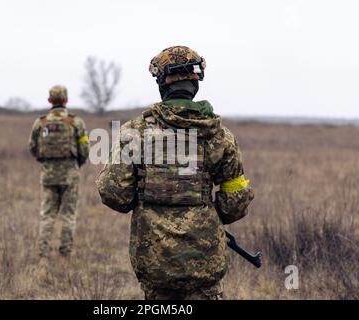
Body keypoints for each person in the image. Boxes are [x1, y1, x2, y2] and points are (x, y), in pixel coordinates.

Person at [96, 46, 254, 299]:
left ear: (161, 84)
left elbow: (114, 194)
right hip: (205, 264)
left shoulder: (134, 132)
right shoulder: (221, 136)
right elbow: (234, 205)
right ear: (196, 83)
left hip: (154, 264)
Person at [28, 85, 90, 259]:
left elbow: (32, 147)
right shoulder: (76, 122)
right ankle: (65, 253)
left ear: (49, 101)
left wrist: (45, 162)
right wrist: (77, 164)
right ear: (66, 100)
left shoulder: (40, 123)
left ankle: (43, 253)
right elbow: (85, 148)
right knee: (68, 216)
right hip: (70, 175)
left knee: (47, 215)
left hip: (48, 175)